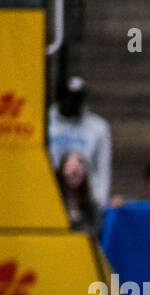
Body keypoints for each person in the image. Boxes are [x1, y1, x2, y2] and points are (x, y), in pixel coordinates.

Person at [48, 75, 113, 206]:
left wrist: (100, 201)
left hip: (84, 198)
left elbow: (103, 168)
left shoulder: (98, 127)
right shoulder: (45, 122)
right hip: (49, 193)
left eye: (76, 99)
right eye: (69, 99)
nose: (72, 104)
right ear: (60, 98)